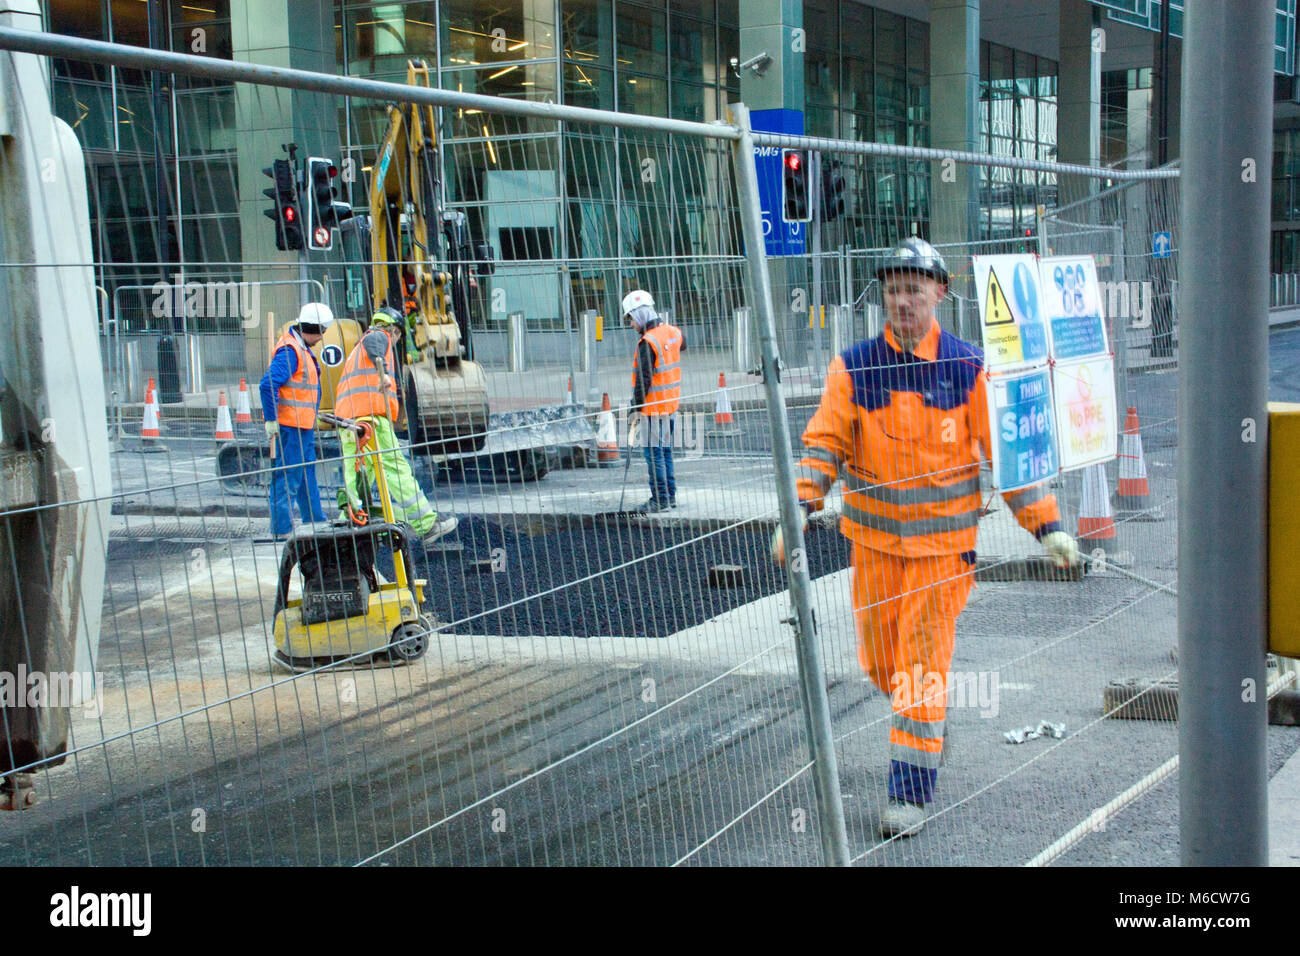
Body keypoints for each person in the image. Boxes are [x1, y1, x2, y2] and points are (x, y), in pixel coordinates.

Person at [772, 239, 1080, 838]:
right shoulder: (852, 368)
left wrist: (1049, 526)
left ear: (940, 292)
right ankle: (929, 725)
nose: (903, 301)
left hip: (943, 559)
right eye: (893, 289)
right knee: (883, 664)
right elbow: (823, 447)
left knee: (919, 670)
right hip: (875, 555)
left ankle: (908, 795)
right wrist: (798, 510)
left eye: (915, 289)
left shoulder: (968, 370)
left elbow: (1008, 459)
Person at [335, 306, 456, 543]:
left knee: (360, 470)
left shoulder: (358, 347)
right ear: (395, 330)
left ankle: (351, 514)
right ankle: (427, 524)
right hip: (370, 419)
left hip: (349, 420)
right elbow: (377, 347)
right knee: (395, 467)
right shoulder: (378, 336)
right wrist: (384, 374)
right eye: (398, 335)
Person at [260, 301, 330, 539]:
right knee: (288, 476)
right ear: (316, 328)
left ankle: (315, 519)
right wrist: (271, 419)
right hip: (291, 426)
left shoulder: (300, 348)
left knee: (305, 474)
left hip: (303, 425)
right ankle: (281, 529)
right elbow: (268, 385)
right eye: (323, 331)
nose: (323, 337)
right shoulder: (290, 351)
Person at [624, 289, 684, 513]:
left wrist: (635, 408)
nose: (631, 325)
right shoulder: (672, 332)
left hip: (653, 408)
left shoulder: (647, 342)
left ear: (639, 315)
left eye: (630, 319)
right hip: (670, 406)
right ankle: (670, 495)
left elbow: (643, 381)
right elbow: (682, 343)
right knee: (665, 451)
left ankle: (660, 499)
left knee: (654, 454)